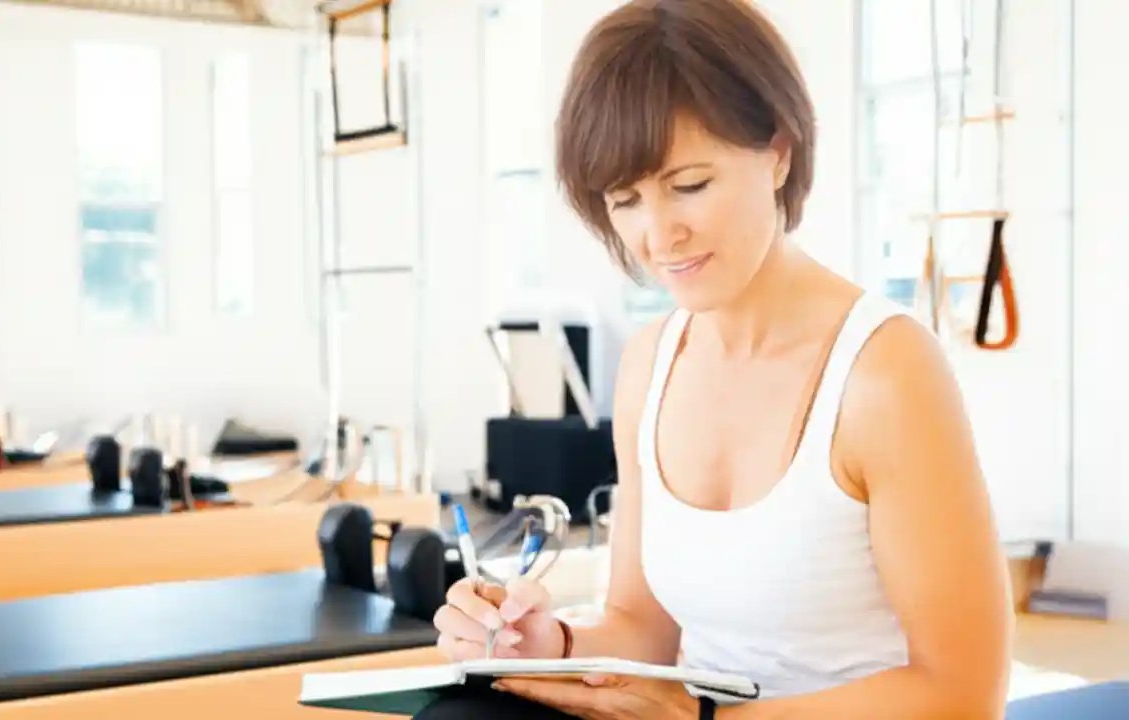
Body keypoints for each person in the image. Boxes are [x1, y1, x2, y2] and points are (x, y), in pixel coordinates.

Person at [425, 1, 1012, 719]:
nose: (658, 234)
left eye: (690, 185)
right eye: (625, 200)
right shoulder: (651, 365)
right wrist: (545, 639)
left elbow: (962, 692)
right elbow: (642, 627)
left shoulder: (885, 373)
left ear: (780, 152)